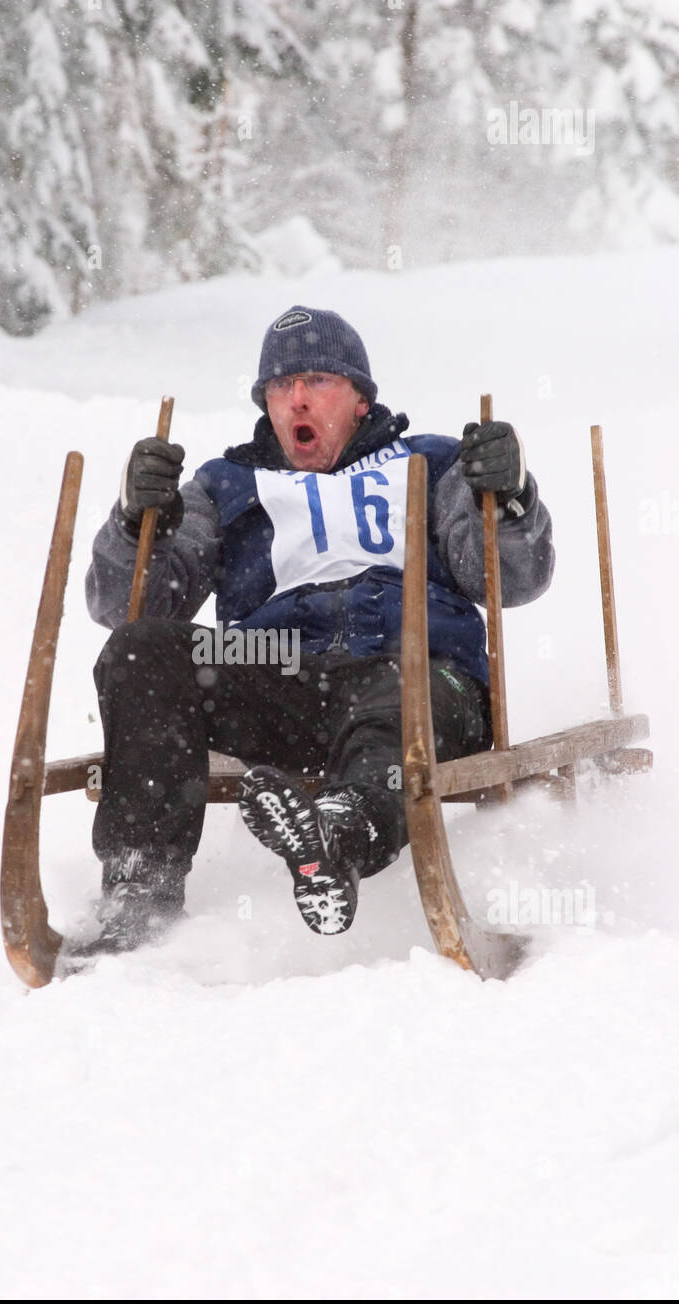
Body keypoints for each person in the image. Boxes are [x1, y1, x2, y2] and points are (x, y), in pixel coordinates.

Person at [76, 305, 554, 954]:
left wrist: (514, 498)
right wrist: (137, 523)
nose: (296, 399)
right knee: (140, 650)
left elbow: (514, 577)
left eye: (319, 381)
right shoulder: (223, 485)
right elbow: (123, 602)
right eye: (280, 387)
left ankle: (337, 834)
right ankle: (140, 891)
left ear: (360, 398)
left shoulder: (435, 465)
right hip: (278, 676)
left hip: (416, 667)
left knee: (398, 707)